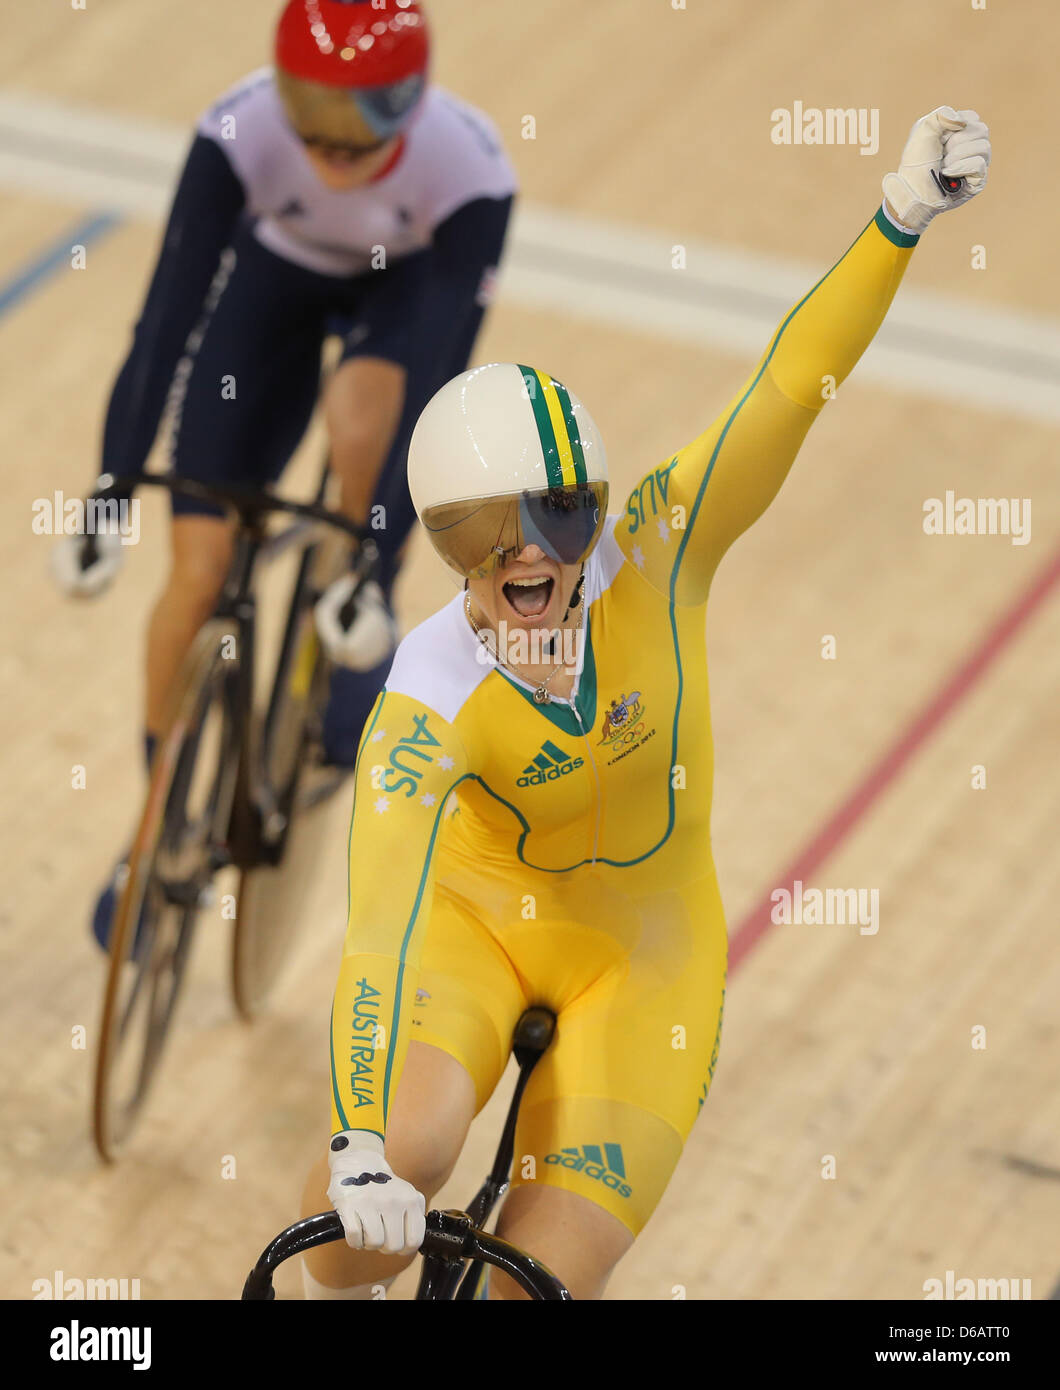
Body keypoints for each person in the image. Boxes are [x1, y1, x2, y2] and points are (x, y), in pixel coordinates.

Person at [300, 106, 990, 1300]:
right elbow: (381, 926)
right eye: (484, 531)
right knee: (382, 1196)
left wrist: (897, 220)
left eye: (557, 517)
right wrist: (356, 1142)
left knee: (530, 1286)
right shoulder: (427, 694)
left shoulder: (663, 541)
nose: (527, 558)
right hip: (475, 930)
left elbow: (787, 389)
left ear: (595, 512)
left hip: (644, 954)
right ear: (448, 549)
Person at [50, 0, 516, 947]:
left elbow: (437, 380)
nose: (331, 145)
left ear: (408, 99)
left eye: (357, 120)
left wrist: (374, 560)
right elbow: (164, 325)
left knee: (363, 414)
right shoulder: (237, 131)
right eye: (311, 108)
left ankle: (345, 602)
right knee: (194, 570)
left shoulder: (469, 174)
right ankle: (156, 831)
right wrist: (109, 490)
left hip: (402, 291)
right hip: (278, 283)